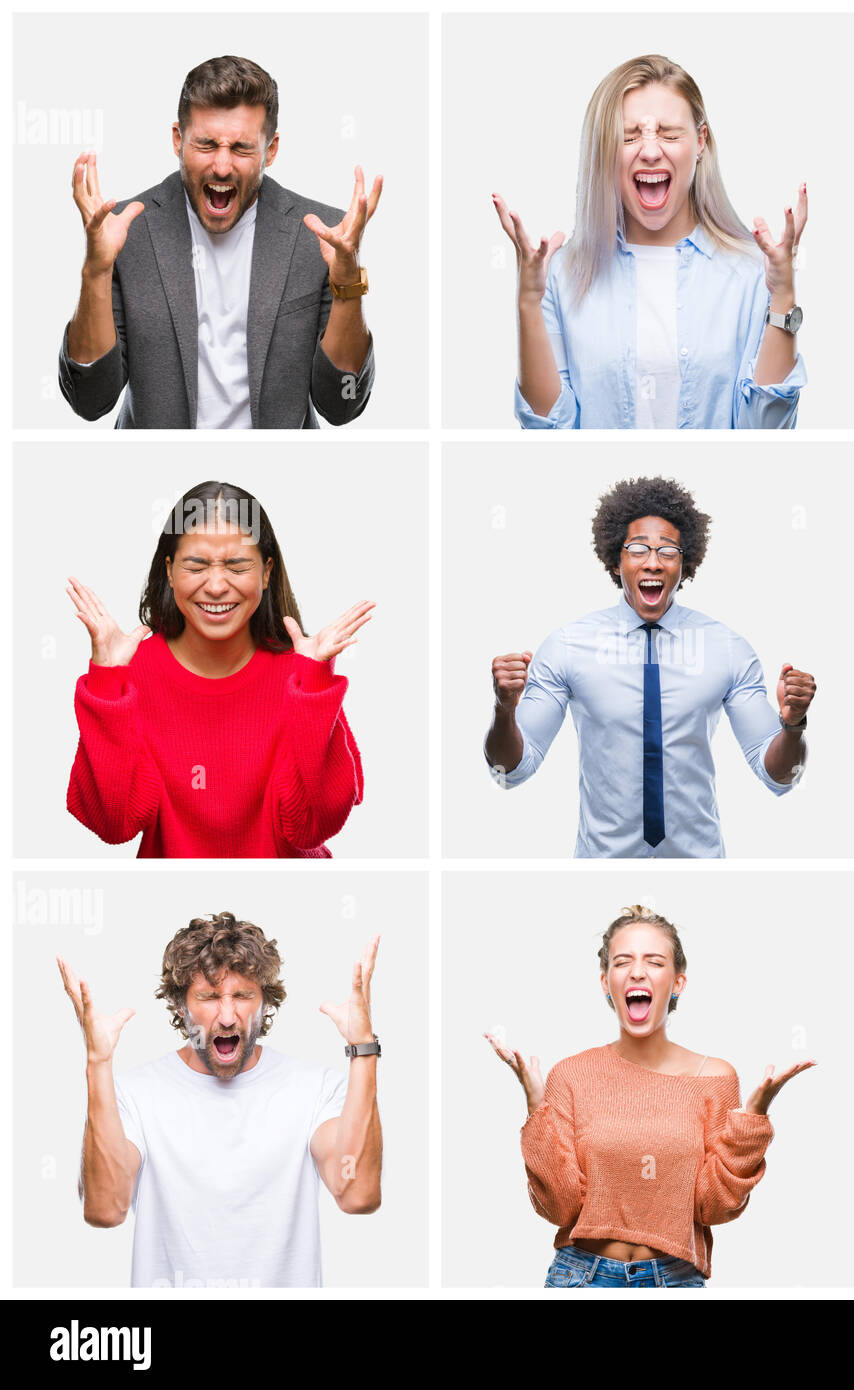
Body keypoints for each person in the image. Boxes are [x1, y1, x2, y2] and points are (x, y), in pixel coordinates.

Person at [485, 475, 816, 857]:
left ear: (686, 563)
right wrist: (504, 709)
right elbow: (509, 772)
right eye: (638, 549)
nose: (654, 563)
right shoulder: (567, 647)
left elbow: (778, 776)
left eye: (668, 552)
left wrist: (792, 726)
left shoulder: (728, 649)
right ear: (615, 560)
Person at [485, 905, 814, 1287]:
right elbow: (560, 1208)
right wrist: (535, 1106)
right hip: (581, 1277)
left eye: (654, 962)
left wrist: (752, 1121)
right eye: (622, 962)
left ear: (678, 982)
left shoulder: (714, 1078)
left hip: (674, 1279)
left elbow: (714, 1207)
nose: (637, 971)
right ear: (606, 982)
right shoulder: (570, 1075)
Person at [57, 913, 382, 1288]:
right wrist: (98, 1063)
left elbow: (358, 1194)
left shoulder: (314, 1088)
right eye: (209, 997)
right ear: (181, 1005)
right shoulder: (133, 1094)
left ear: (264, 1004)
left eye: (243, 996)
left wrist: (363, 1048)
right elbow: (104, 1208)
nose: (227, 1016)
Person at [59, 54, 380, 428]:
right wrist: (95, 271)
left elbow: (343, 404)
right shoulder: (126, 231)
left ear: (270, 150)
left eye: (242, 148)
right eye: (207, 144)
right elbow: (89, 401)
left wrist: (348, 283)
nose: (223, 166)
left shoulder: (321, 234)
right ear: (178, 140)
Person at [493, 53, 806, 429]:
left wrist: (783, 294)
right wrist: (529, 303)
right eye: (628, 137)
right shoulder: (559, 276)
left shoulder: (752, 274)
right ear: (604, 151)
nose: (652, 150)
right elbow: (550, 436)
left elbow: (765, 434)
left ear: (701, 142)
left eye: (670, 134)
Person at [66, 479, 370, 857]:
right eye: (196, 566)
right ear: (170, 570)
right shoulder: (132, 675)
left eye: (236, 566)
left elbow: (313, 826)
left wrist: (313, 685)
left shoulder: (302, 676)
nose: (215, 586)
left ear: (266, 571)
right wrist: (108, 683)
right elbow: (113, 825)